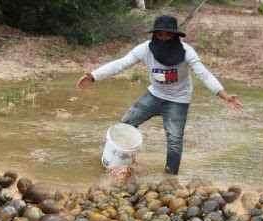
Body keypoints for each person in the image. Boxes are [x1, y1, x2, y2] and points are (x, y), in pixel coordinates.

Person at [76, 14, 243, 175]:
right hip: (154, 94)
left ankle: (170, 179)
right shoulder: (145, 50)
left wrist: (225, 96)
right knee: (126, 123)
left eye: (168, 35)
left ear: (175, 36)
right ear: (154, 35)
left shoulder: (187, 52)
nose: (163, 38)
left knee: (175, 142)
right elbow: (120, 64)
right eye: (160, 34)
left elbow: (204, 74)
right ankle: (122, 165)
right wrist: (94, 76)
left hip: (178, 99)